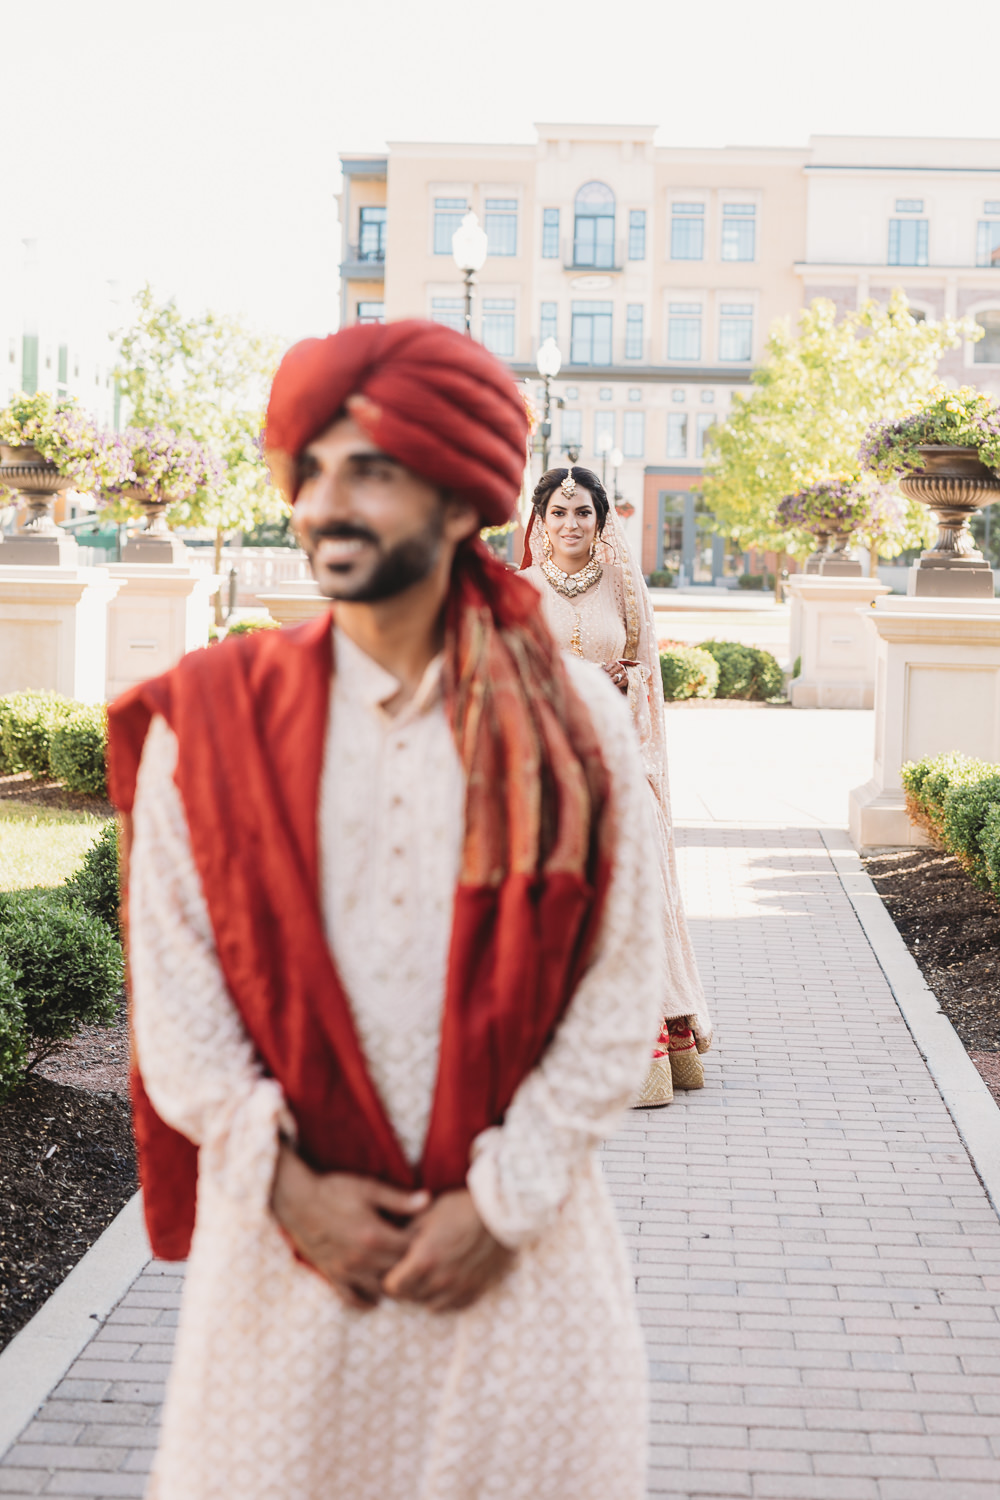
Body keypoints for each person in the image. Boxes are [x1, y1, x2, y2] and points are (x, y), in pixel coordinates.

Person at [107, 321, 665, 1500]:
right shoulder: (208, 728)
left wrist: (498, 1203)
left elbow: (618, 1001)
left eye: (369, 469)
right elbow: (179, 1002)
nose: (323, 503)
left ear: (461, 501)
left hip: (523, 1292)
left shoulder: (575, 720)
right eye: (308, 470)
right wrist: (295, 1193)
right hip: (286, 1297)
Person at [520, 464, 712, 1108]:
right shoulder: (517, 592)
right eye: (558, 513)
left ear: (602, 521)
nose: (570, 524)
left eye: (582, 513)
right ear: (539, 522)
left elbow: (648, 681)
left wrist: (620, 685)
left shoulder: (626, 590)